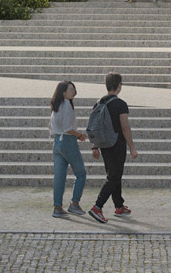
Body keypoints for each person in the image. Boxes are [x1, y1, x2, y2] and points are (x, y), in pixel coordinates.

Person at [87, 72, 136, 221]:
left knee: (114, 175)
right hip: (117, 144)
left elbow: (96, 126)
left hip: (104, 144)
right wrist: (132, 148)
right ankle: (97, 207)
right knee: (114, 176)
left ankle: (119, 207)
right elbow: (125, 128)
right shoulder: (120, 104)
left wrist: (95, 146)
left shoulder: (99, 102)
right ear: (119, 86)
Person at [49, 80, 89, 217]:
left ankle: (57, 207)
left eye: (74, 89)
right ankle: (74, 204)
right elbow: (67, 128)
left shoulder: (56, 106)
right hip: (68, 141)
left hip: (57, 142)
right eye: (71, 89)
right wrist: (80, 135)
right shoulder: (66, 105)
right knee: (81, 173)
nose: (74, 91)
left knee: (59, 177)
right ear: (64, 92)